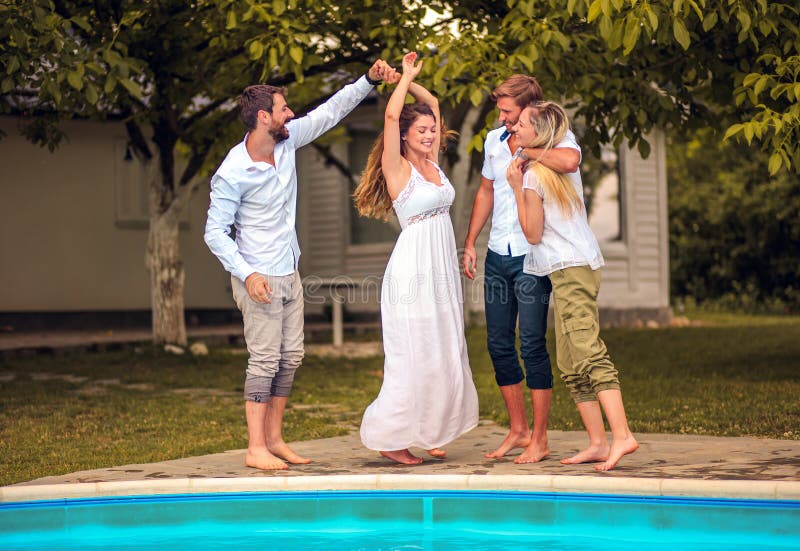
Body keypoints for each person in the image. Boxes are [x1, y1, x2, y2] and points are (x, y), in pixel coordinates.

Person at [204, 60, 395, 471]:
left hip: (289, 270)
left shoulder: (287, 143)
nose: (290, 114)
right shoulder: (232, 172)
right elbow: (214, 232)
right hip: (257, 276)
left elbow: (330, 112)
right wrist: (247, 274)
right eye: (283, 109)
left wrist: (368, 80)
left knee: (290, 357)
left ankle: (274, 440)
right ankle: (255, 447)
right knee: (264, 360)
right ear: (263, 117)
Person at [354, 52, 479, 465]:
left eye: (432, 130)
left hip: (439, 270)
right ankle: (392, 437)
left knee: (441, 350)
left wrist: (405, 81)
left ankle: (430, 430)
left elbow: (435, 104)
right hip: (413, 272)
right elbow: (392, 116)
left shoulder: (432, 164)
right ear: (405, 136)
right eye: (422, 130)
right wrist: (404, 79)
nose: (430, 134)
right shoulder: (397, 168)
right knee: (415, 353)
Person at [507, 101, 638, 471]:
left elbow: (532, 234)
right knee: (570, 362)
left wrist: (516, 187)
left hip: (571, 270)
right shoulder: (550, 165)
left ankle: (622, 435)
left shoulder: (536, 174)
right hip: (572, 268)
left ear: (538, 133)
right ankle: (597, 442)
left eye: (521, 124)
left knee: (588, 352)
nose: (515, 129)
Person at [461, 75, 581, 463]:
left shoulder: (554, 137)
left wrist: (530, 150)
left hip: (533, 256)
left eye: (507, 110)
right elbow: (486, 190)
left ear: (528, 107)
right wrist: (470, 242)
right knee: (498, 343)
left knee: (531, 343)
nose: (501, 116)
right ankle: (519, 430)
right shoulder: (493, 142)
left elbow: (571, 161)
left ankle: (540, 439)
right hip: (498, 254)